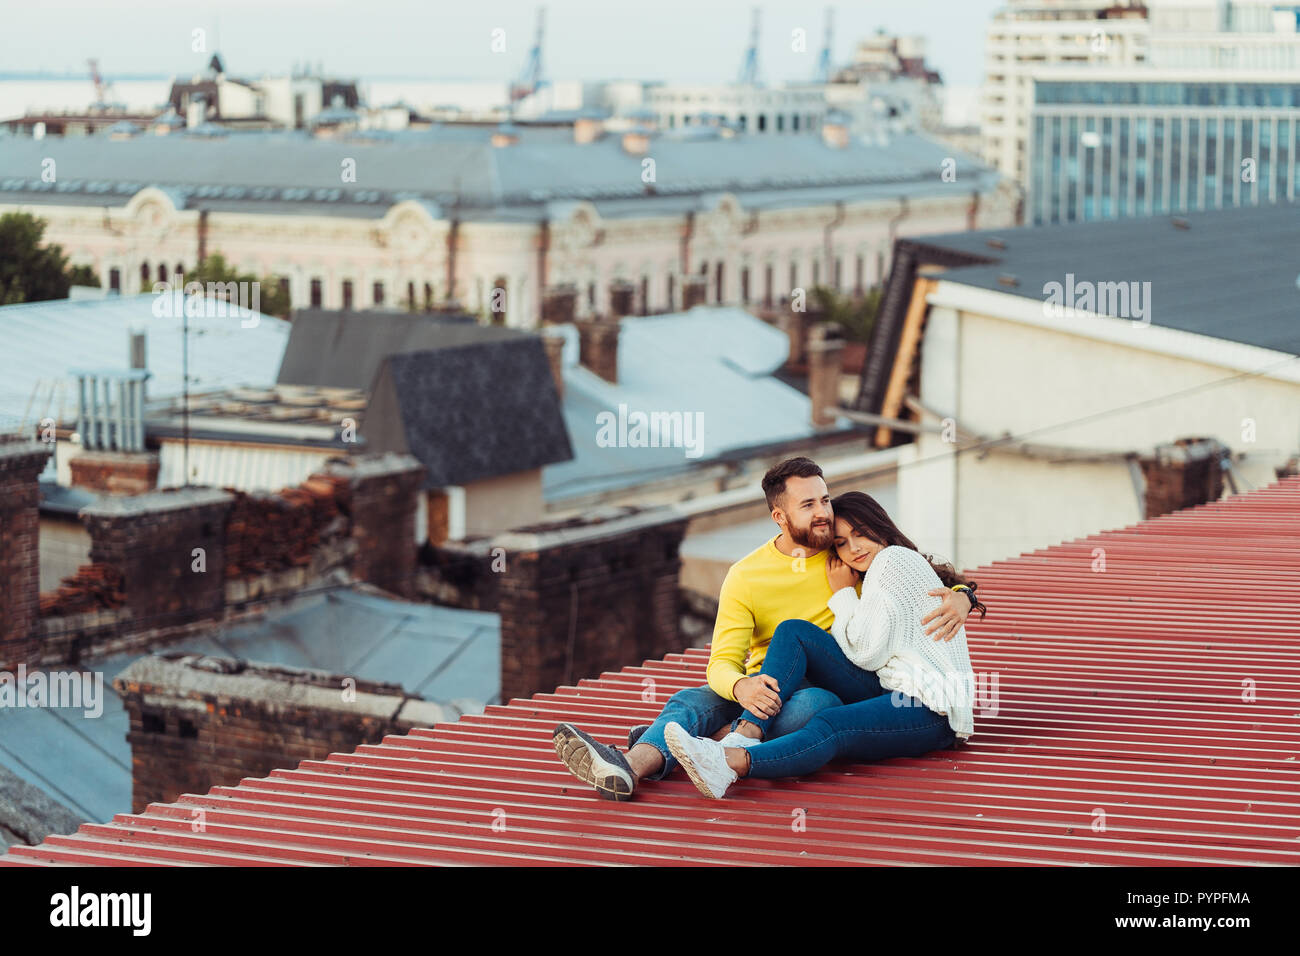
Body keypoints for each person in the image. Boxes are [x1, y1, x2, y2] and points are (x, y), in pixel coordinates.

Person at [552, 459, 979, 801]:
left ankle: (722, 742)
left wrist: (962, 594)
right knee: (690, 700)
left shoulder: (849, 557)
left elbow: (916, 575)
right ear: (780, 515)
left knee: (815, 703)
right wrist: (741, 688)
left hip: (830, 685)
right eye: (808, 505)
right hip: (766, 684)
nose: (823, 514)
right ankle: (628, 766)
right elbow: (721, 662)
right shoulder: (747, 575)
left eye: (825, 500)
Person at [663, 490, 987, 799]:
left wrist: (842, 595)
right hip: (893, 689)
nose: (855, 548)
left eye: (861, 533)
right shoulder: (877, 571)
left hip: (929, 708)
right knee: (794, 631)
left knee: (831, 724)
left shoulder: (892, 561)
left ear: (882, 528)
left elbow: (866, 653)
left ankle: (730, 762)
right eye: (841, 543)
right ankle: (744, 734)